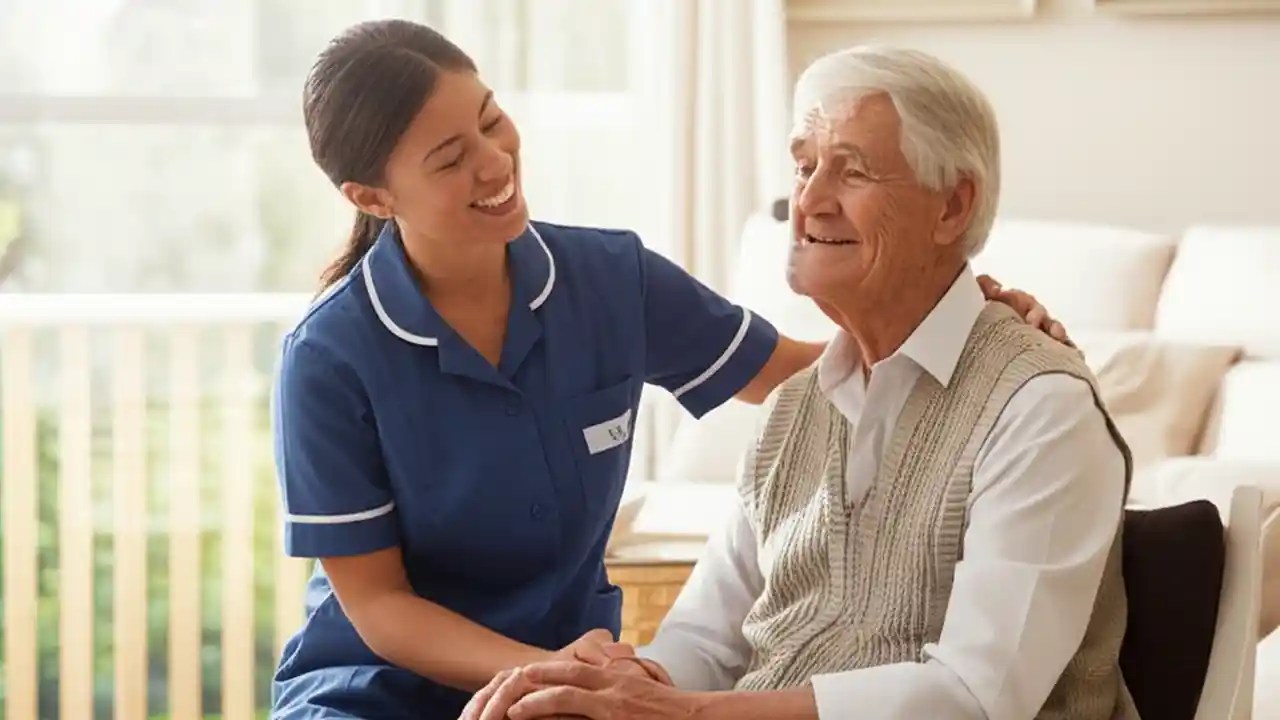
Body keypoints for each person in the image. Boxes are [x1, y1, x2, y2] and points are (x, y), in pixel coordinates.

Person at [271, 21, 1066, 720]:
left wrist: (968, 323)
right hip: (376, 690)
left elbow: (815, 377)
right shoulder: (329, 358)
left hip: (570, 683)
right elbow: (378, 608)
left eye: (492, 121)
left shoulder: (611, 280)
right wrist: (547, 672)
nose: (494, 162)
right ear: (372, 195)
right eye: (450, 159)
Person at [463, 46, 1137, 720]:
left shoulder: (1040, 408)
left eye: (852, 171)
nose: (808, 200)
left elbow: (975, 698)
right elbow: (703, 637)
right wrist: (620, 681)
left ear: (952, 206)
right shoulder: (793, 408)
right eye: (804, 166)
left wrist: (685, 713)